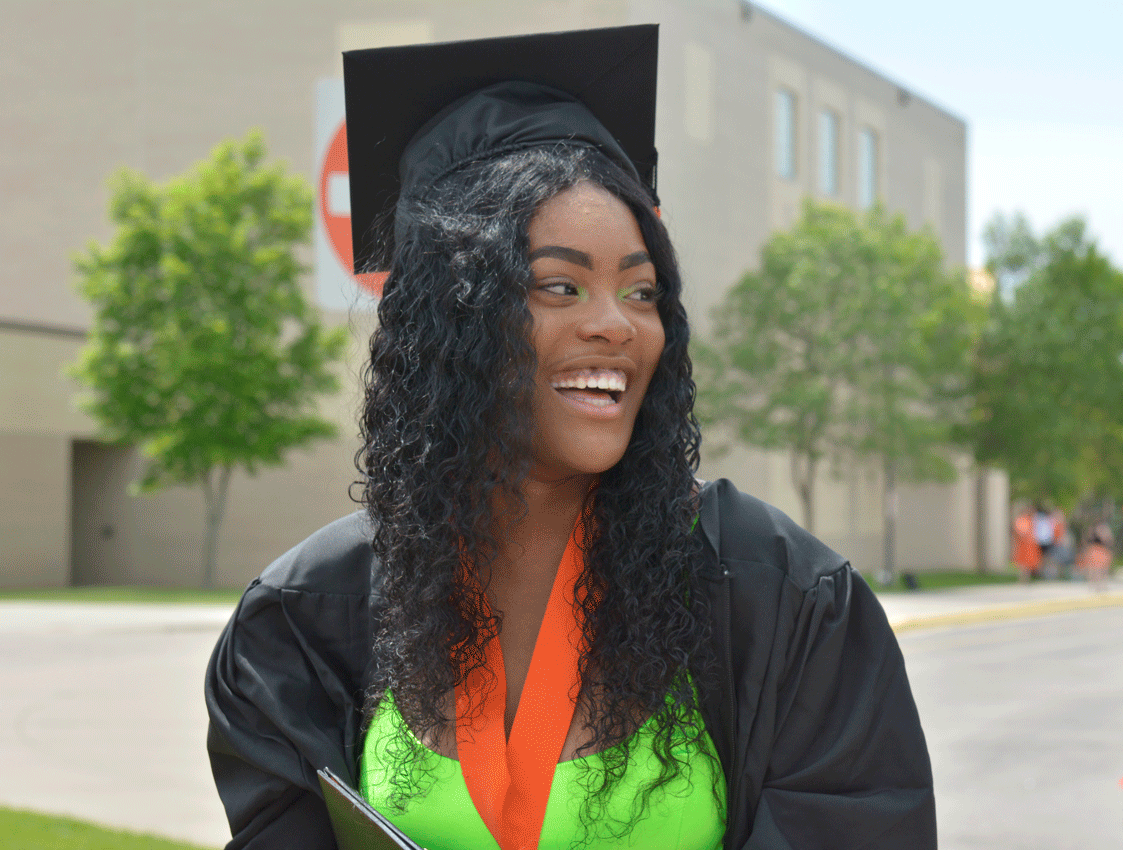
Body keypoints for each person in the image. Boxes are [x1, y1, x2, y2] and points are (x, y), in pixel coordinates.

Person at [205, 25, 934, 850]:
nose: (617, 324)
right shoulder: (309, 618)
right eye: (561, 285)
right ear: (452, 315)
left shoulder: (779, 598)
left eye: (643, 291)